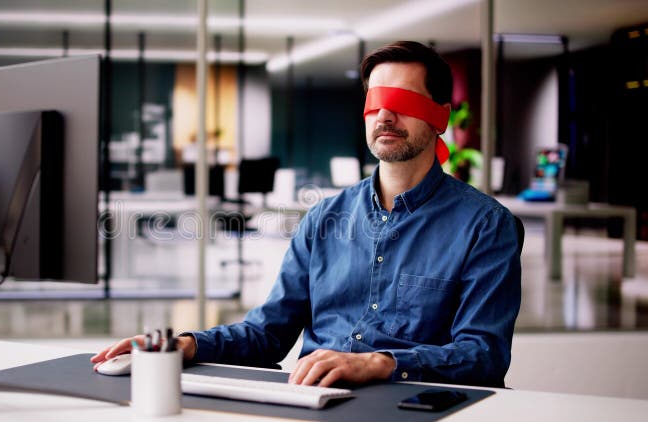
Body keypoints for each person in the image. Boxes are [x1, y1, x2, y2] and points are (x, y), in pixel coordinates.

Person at [92, 41, 521, 388]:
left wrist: (379, 364)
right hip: (313, 402)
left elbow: (484, 354)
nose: (385, 116)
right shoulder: (323, 219)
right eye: (375, 102)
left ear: (441, 116)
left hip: (413, 405)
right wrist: (184, 344)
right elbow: (269, 333)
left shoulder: (485, 225)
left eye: (404, 101)